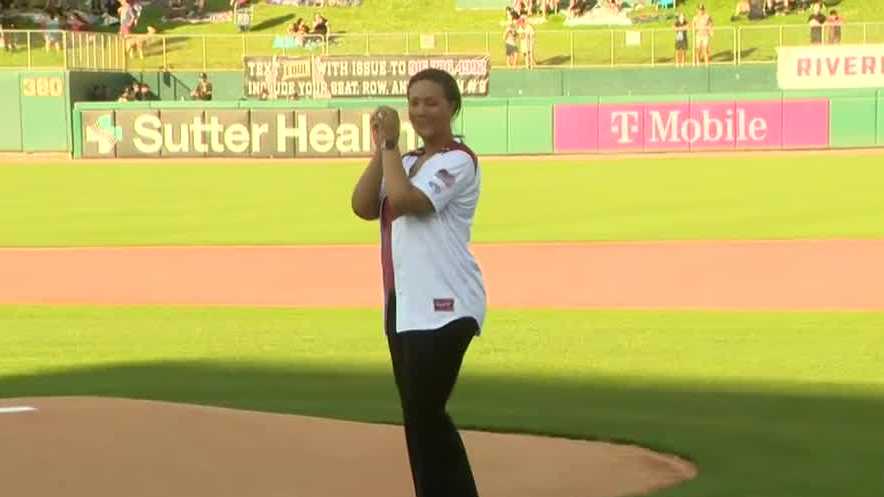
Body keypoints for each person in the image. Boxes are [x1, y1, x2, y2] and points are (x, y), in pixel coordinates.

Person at [350, 68, 486, 497]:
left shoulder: (458, 160)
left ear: (452, 107)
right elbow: (362, 205)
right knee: (417, 417)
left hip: (446, 302)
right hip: (404, 304)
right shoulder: (405, 161)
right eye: (414, 103)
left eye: (431, 102)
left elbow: (408, 202)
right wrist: (383, 150)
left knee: (426, 412)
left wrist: (391, 145)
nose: (420, 111)